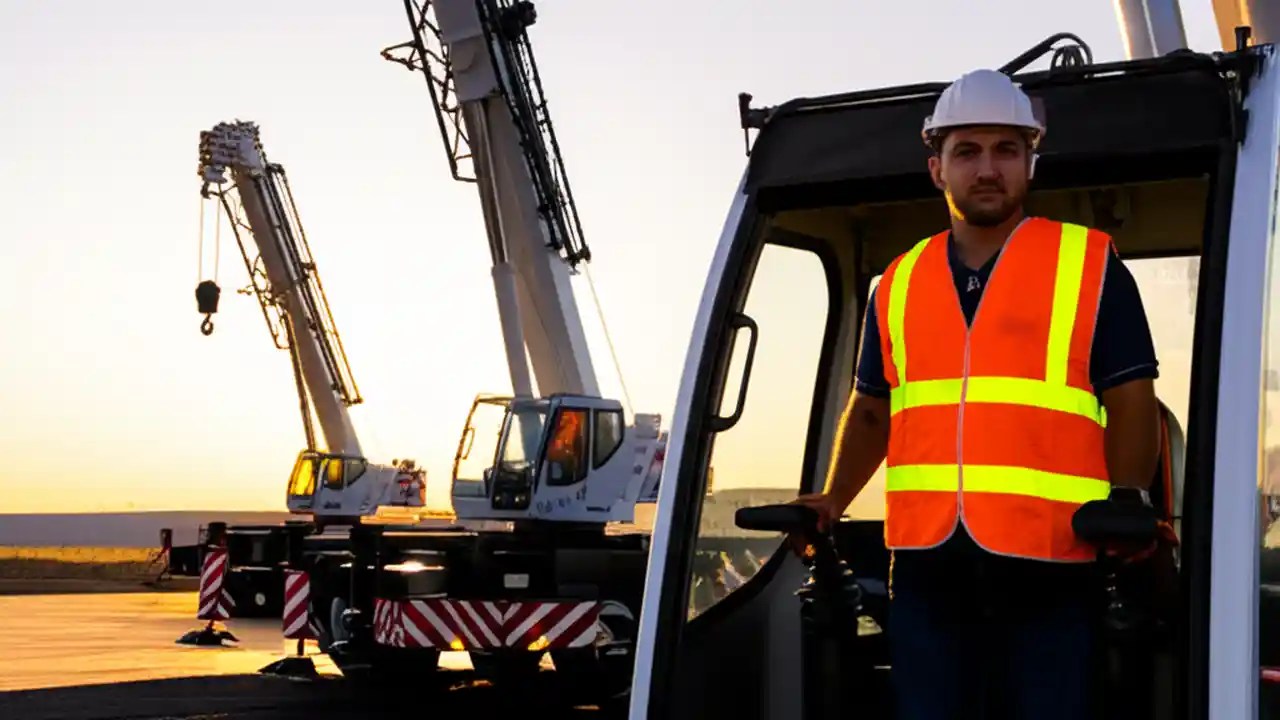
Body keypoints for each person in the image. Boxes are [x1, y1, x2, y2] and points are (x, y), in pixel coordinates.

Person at [793, 68, 1161, 720]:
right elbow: (873, 409)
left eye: (1006, 150)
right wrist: (832, 497)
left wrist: (1129, 500)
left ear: (1030, 163)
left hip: (1051, 564)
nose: (987, 168)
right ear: (937, 167)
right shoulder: (898, 282)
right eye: (968, 151)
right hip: (929, 571)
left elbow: (1131, 398)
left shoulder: (1090, 265)